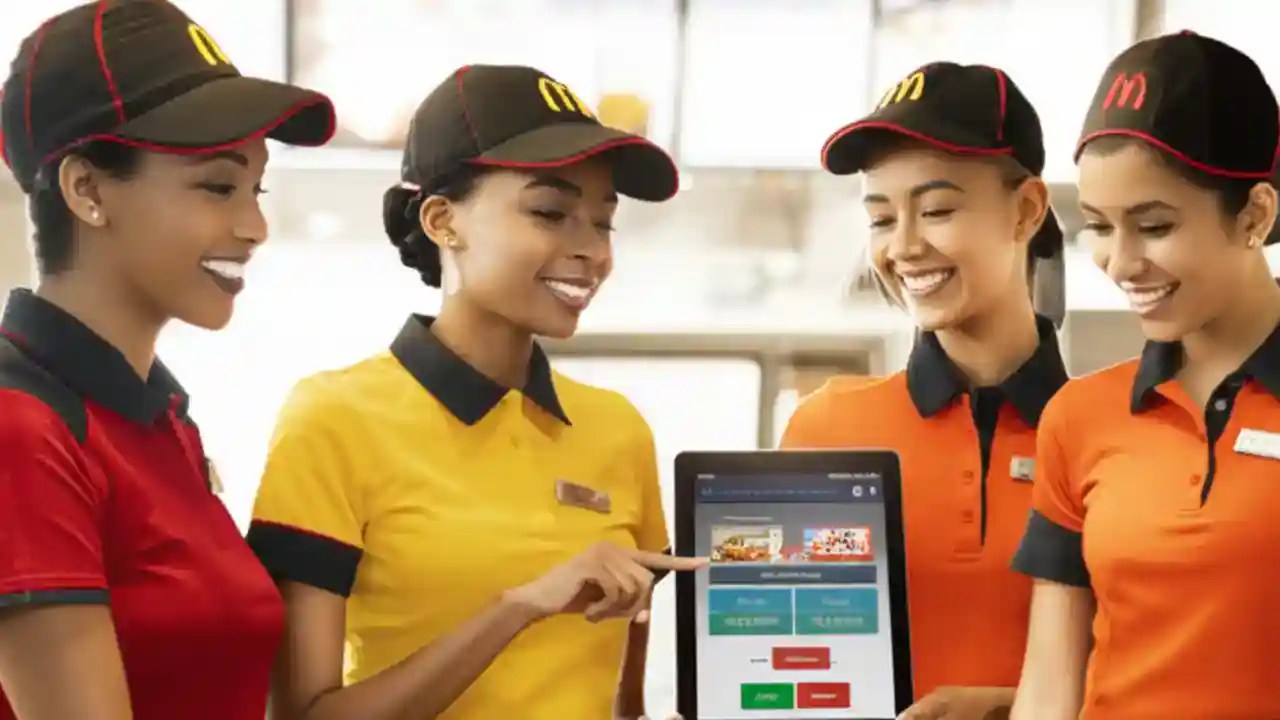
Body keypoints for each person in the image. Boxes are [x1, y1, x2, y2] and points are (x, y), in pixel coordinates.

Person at [246, 64, 703, 720]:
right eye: (550, 212)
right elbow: (302, 715)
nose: (592, 252)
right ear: (441, 220)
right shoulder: (333, 418)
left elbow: (622, 707)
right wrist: (518, 608)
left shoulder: (617, 429)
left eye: (602, 223)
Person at [0, 2, 334, 719]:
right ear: (87, 191)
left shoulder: (160, 418)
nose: (254, 227)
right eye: (218, 187)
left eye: (256, 189)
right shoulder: (21, 428)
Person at [781, 62, 1068, 720]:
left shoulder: (1107, 432)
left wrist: (1010, 709)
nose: (904, 248)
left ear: (1025, 210)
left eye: (936, 210)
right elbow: (793, 656)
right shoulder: (825, 428)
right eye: (882, 220)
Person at [1011, 31, 1280, 720]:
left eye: (1154, 226)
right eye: (1098, 226)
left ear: (1254, 214)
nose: (1120, 262)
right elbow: (1050, 688)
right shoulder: (1079, 418)